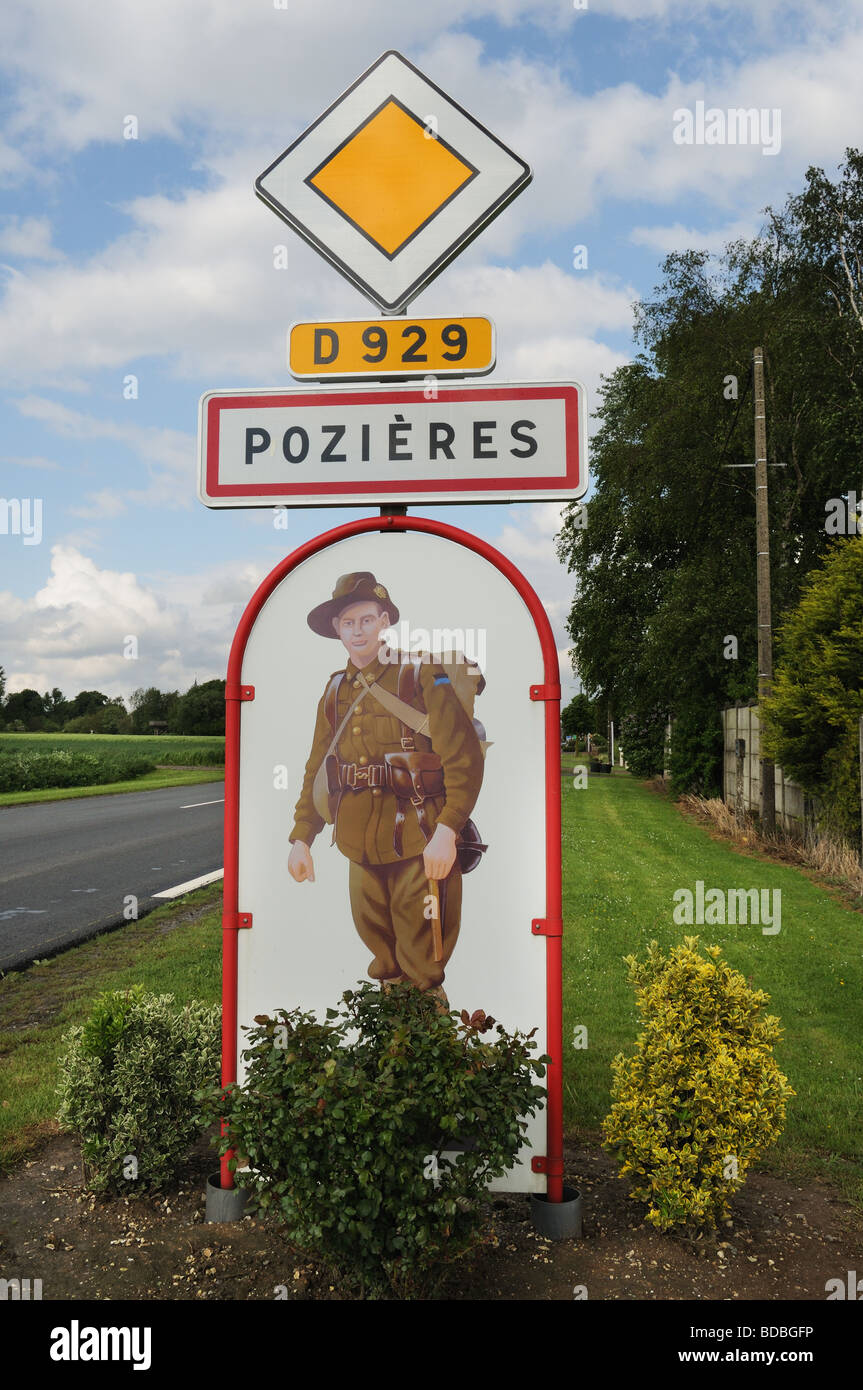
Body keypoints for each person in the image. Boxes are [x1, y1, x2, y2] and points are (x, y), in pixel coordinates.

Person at [288, 571, 484, 1004]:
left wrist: (448, 831)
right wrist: (303, 837)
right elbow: (318, 766)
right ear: (336, 629)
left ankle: (435, 1056)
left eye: (366, 620)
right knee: (384, 961)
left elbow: (463, 758)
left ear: (384, 622)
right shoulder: (335, 690)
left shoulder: (421, 675)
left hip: (421, 838)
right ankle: (393, 1055)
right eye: (348, 623)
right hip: (359, 843)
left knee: (423, 963)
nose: (357, 631)